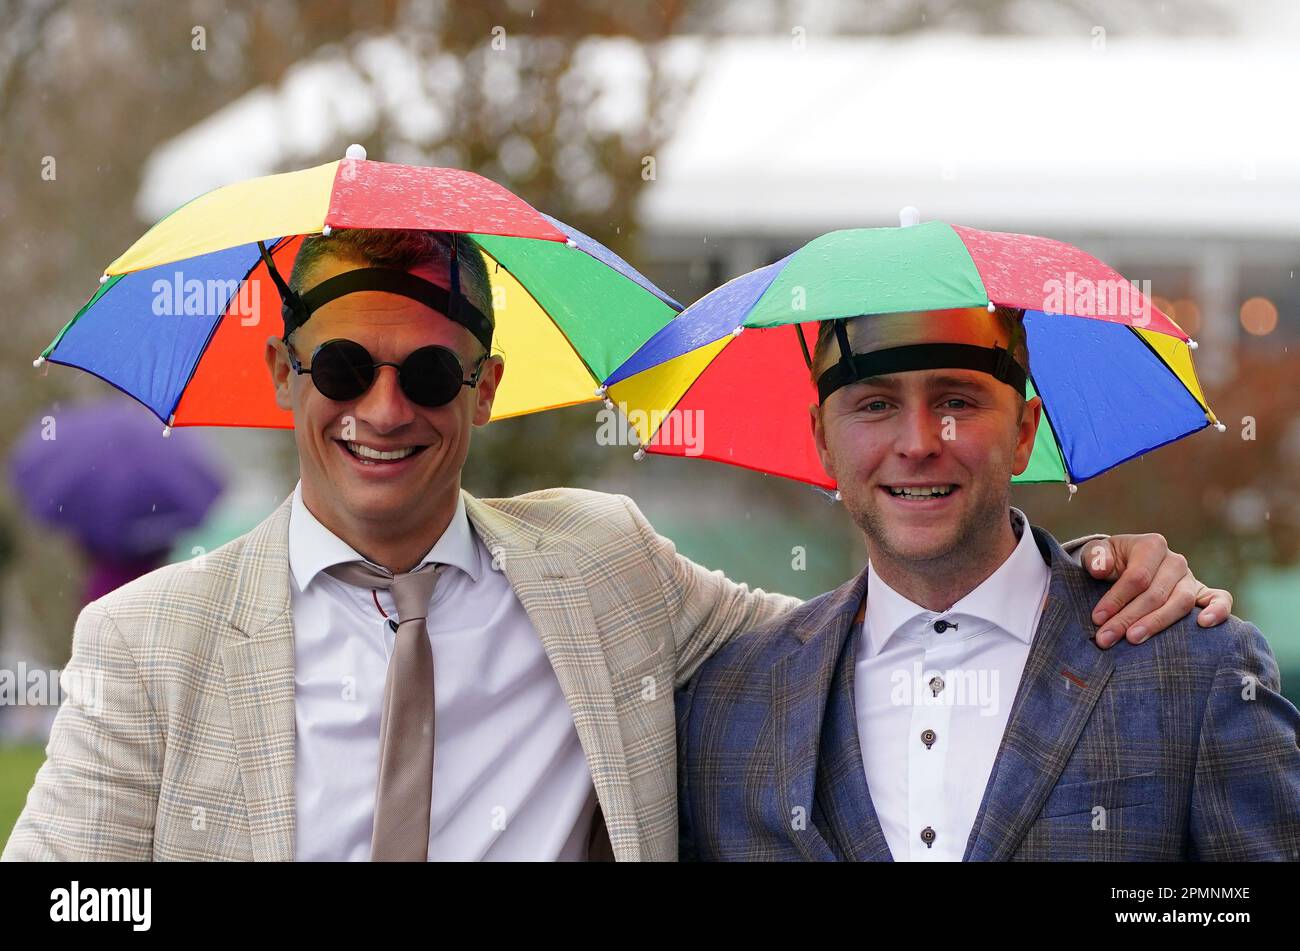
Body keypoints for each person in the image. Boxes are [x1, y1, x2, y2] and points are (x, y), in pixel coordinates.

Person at [3, 230, 1233, 861]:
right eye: (341, 366)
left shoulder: (603, 565)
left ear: (482, 389)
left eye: (428, 371)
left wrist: (1086, 575)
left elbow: (867, 633)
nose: (383, 409)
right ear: (285, 376)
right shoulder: (148, 636)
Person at [676, 306, 1300, 861]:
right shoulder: (727, 699)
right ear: (822, 441)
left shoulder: (1197, 667)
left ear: (1025, 432)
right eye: (875, 404)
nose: (919, 443)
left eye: (957, 402)